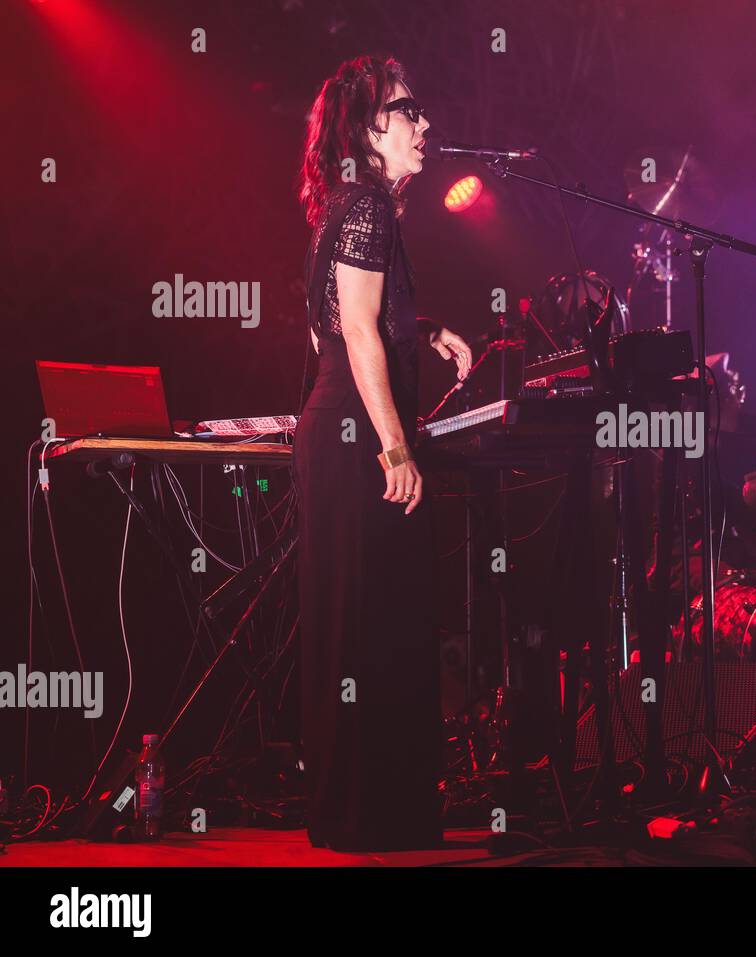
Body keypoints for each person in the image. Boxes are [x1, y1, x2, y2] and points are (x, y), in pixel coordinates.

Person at [294, 55, 471, 851]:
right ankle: (378, 818)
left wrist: (425, 330)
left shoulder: (346, 207)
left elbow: (333, 323)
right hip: (358, 435)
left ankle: (356, 815)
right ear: (370, 129)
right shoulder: (367, 207)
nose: (424, 125)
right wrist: (395, 445)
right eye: (409, 112)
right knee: (377, 623)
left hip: (336, 428)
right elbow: (356, 330)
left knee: (355, 627)